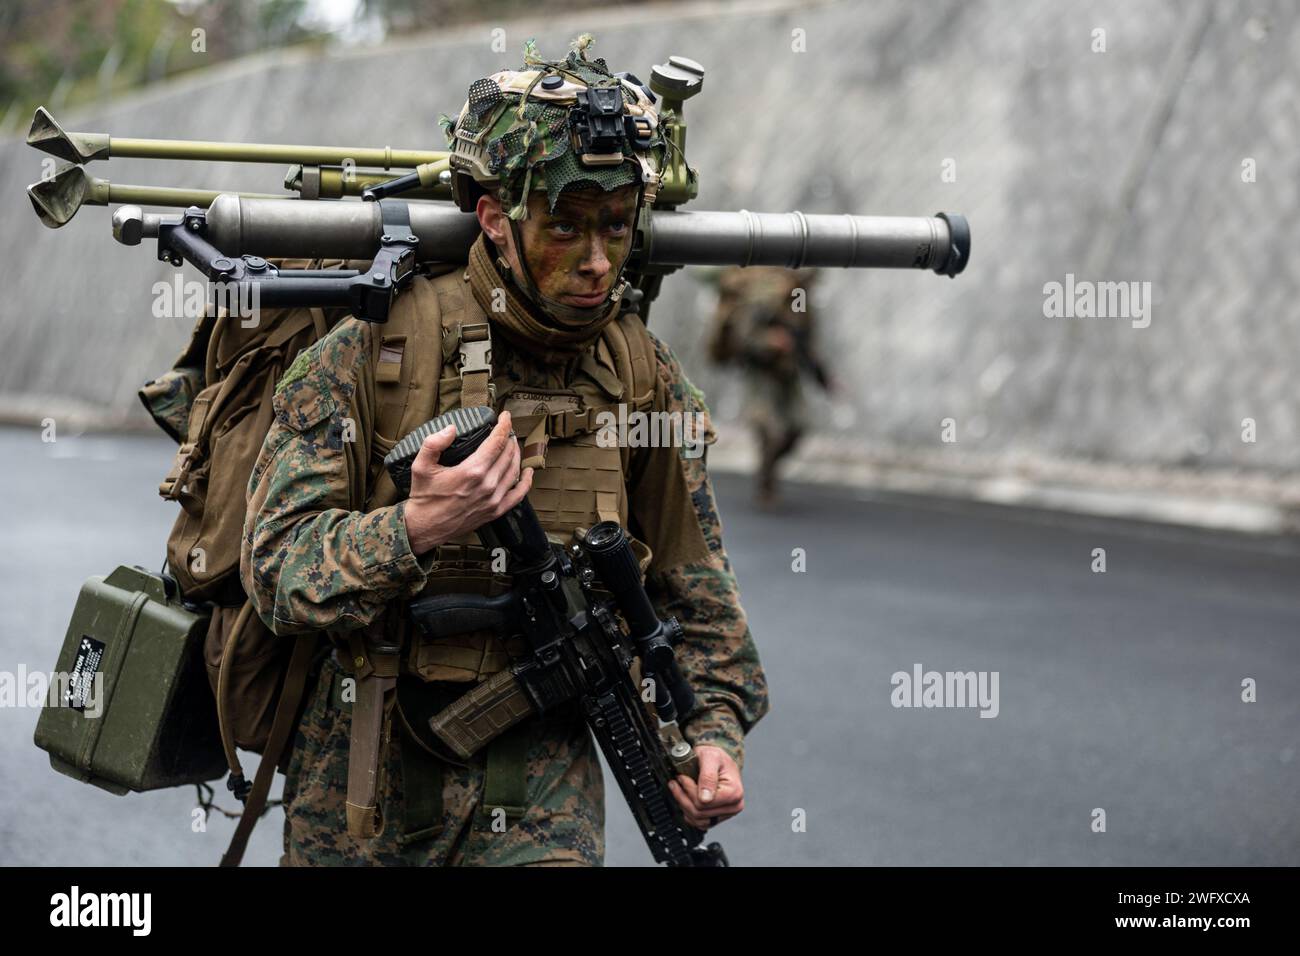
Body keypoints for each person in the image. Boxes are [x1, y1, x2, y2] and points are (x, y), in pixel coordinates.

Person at [240, 34, 768, 866]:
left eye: (618, 227)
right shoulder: (375, 352)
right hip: (361, 772)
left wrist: (711, 733)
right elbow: (275, 572)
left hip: (545, 779)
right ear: (496, 217)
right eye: (565, 226)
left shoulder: (638, 374)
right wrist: (415, 526)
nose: (597, 262)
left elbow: (693, 588)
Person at [706, 265, 831, 508]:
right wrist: (771, 342)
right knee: (769, 430)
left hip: (789, 373)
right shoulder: (764, 297)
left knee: (797, 429)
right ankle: (766, 485)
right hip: (761, 373)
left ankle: (769, 469)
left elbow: (808, 346)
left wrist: (824, 379)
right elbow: (745, 337)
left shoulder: (802, 304)